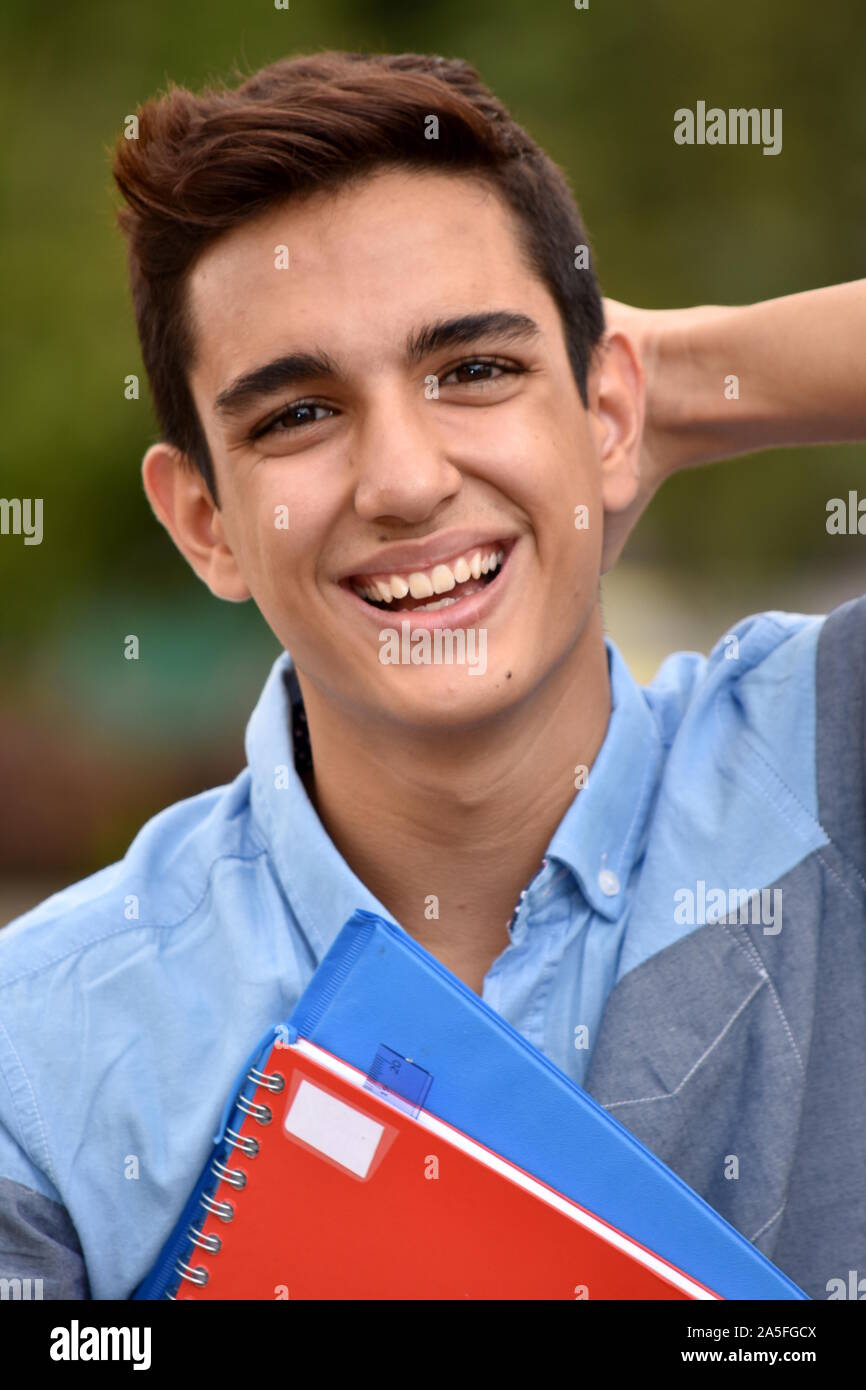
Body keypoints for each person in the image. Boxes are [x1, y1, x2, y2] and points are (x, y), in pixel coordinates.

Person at [1, 50, 864, 1301]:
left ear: (607, 412)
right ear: (205, 522)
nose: (403, 480)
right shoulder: (38, 1057)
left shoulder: (829, 758)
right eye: (296, 413)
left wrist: (678, 380)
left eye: (474, 370)